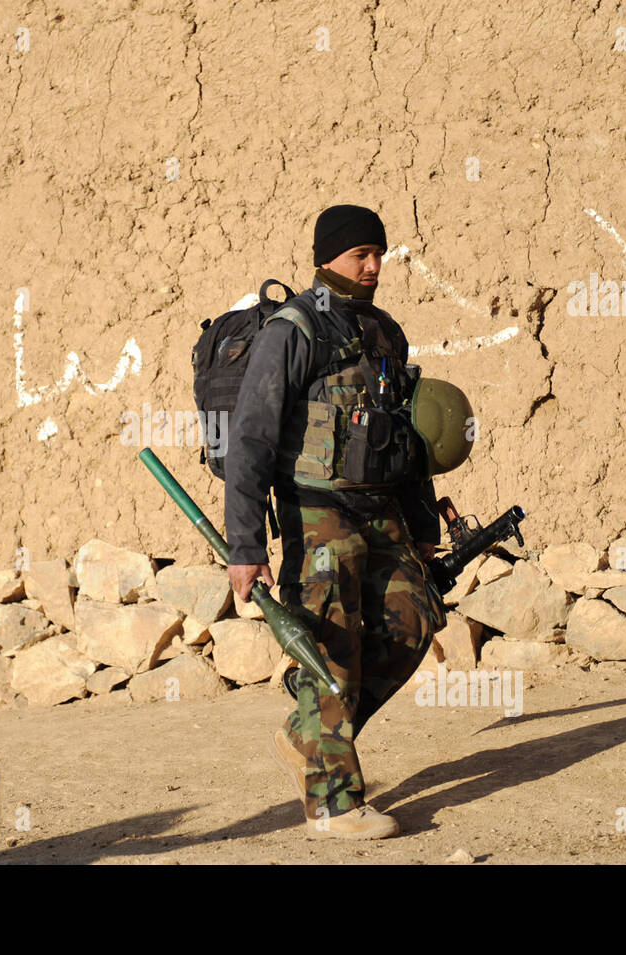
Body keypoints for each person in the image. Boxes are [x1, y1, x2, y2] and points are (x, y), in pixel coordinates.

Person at [225, 204, 455, 839]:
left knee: (413, 622)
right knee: (332, 649)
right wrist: (245, 544)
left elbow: (405, 439)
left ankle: (307, 733)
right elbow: (249, 440)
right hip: (315, 513)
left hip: (382, 512)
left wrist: (424, 529)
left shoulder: (386, 332)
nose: (375, 266)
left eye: (380, 253)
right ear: (327, 258)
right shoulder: (293, 331)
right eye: (361, 255)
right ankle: (334, 805)